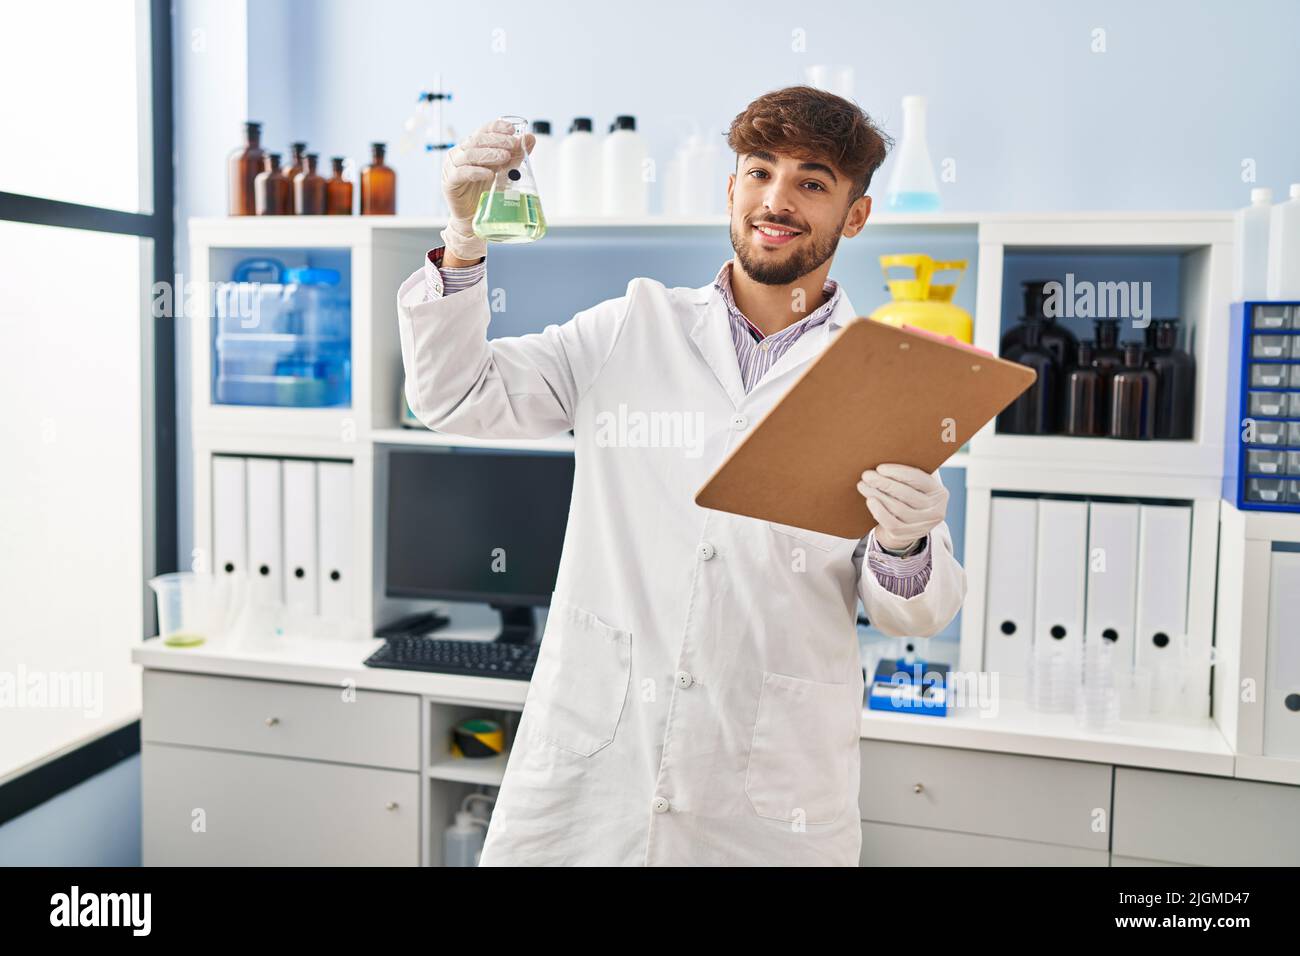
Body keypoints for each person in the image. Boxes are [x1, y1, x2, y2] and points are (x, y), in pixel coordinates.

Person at [396, 85, 966, 866]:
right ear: (731, 189)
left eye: (812, 181)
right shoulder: (631, 324)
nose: (777, 199)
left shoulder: (881, 375)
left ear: (854, 216)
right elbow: (456, 398)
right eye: (760, 171)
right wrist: (463, 238)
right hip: (594, 771)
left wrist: (906, 542)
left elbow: (913, 616)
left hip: (766, 801)